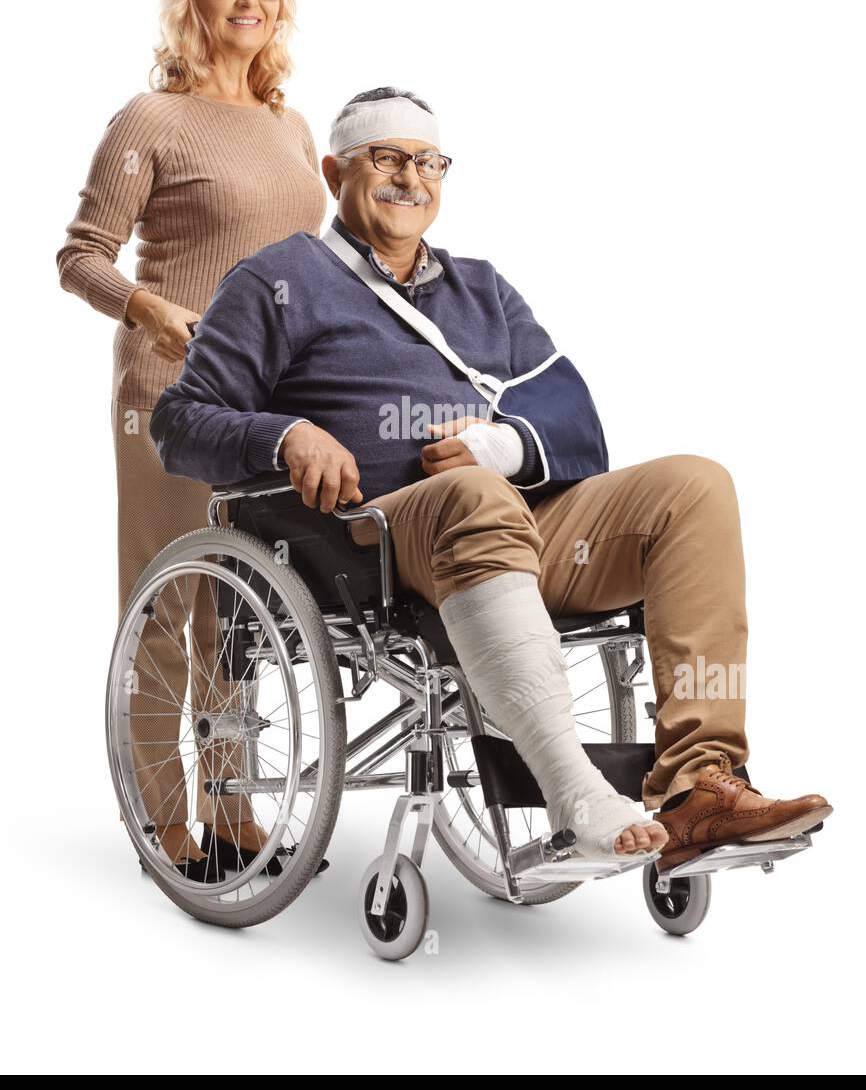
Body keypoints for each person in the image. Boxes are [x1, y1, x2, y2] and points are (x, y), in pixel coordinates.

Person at [149, 86, 833, 871]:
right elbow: (179, 423)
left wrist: (501, 446)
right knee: (467, 497)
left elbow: (573, 414)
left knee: (697, 485)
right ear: (336, 171)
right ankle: (576, 791)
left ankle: (700, 789)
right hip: (369, 540)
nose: (411, 177)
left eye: (428, 161)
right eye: (387, 158)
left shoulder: (483, 289)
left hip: (516, 521)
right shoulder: (275, 281)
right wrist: (286, 434)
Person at [56, 0, 327, 879]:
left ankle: (233, 803)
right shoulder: (150, 120)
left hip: (267, 397)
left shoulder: (292, 128)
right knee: (170, 602)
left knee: (242, 608)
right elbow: (80, 257)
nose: (250, 0)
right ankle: (164, 818)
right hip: (171, 387)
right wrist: (147, 307)